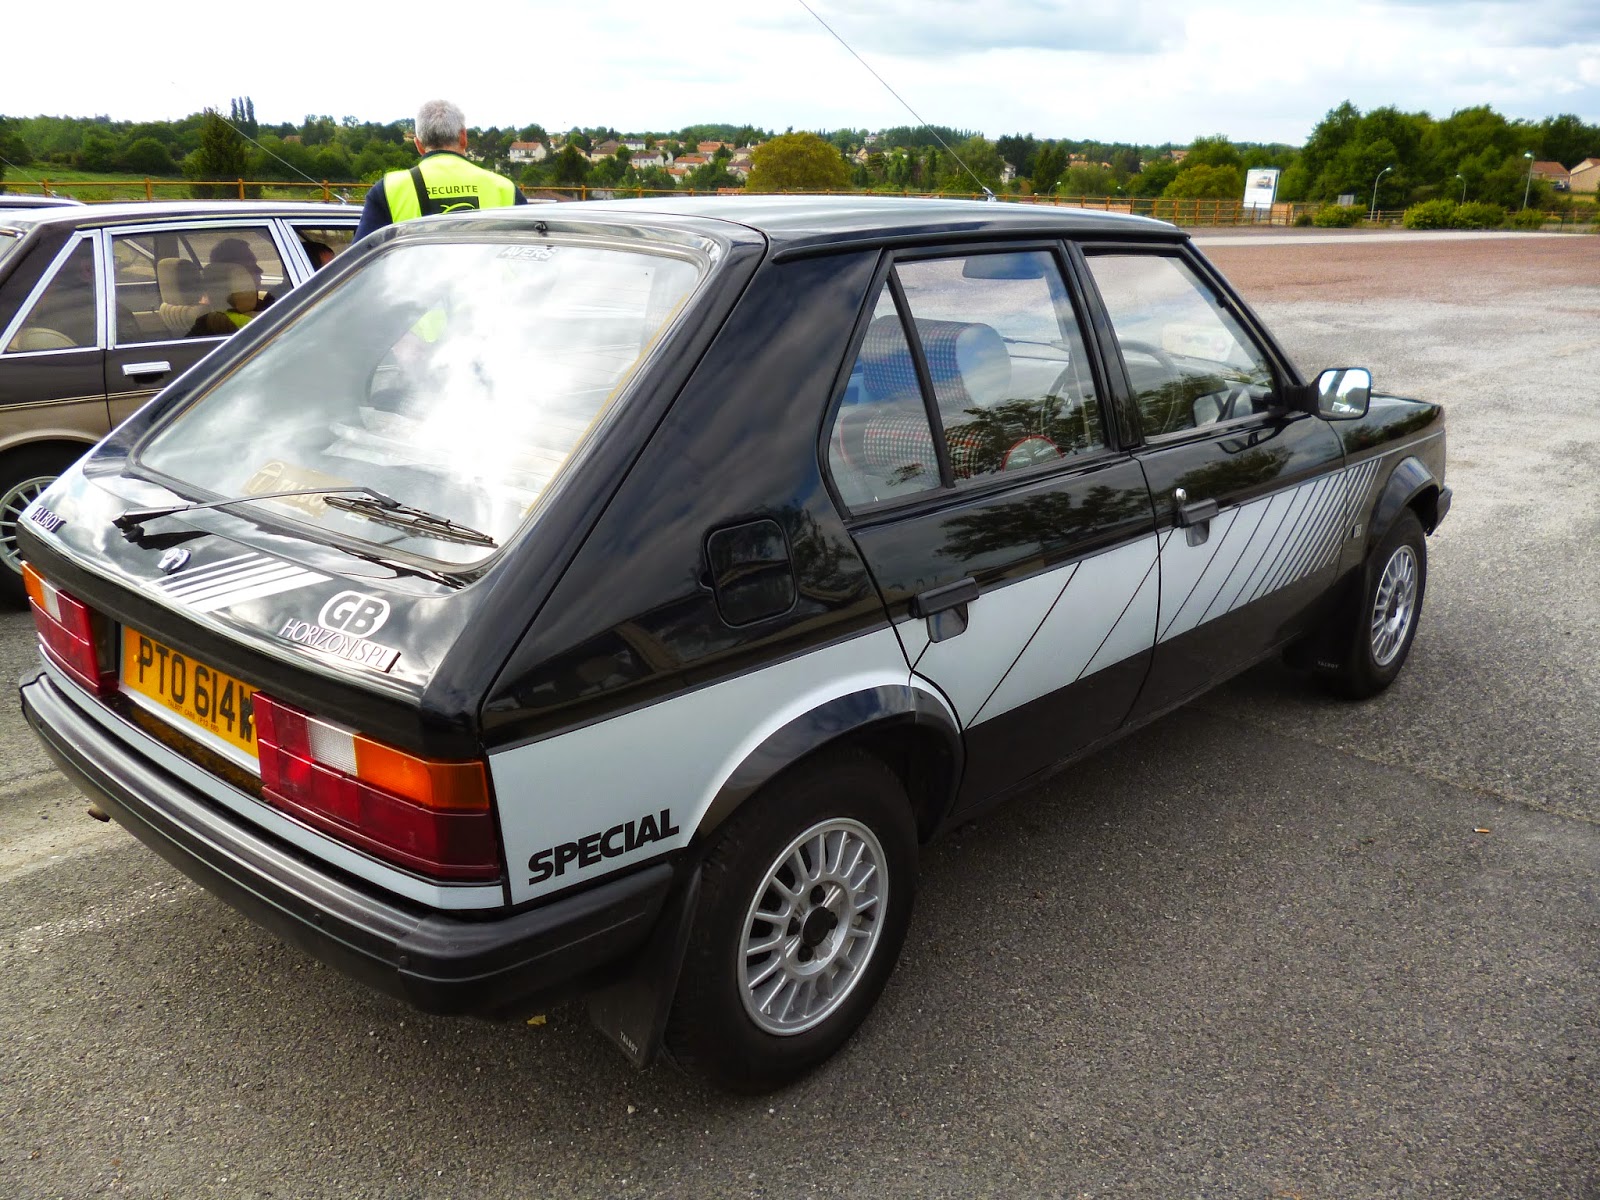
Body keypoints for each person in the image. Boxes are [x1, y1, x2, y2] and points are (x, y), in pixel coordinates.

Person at [353, 99, 525, 240]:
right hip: (489, 283)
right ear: (463, 137)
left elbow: (361, 264)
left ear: (419, 145)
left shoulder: (388, 190)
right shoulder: (504, 188)